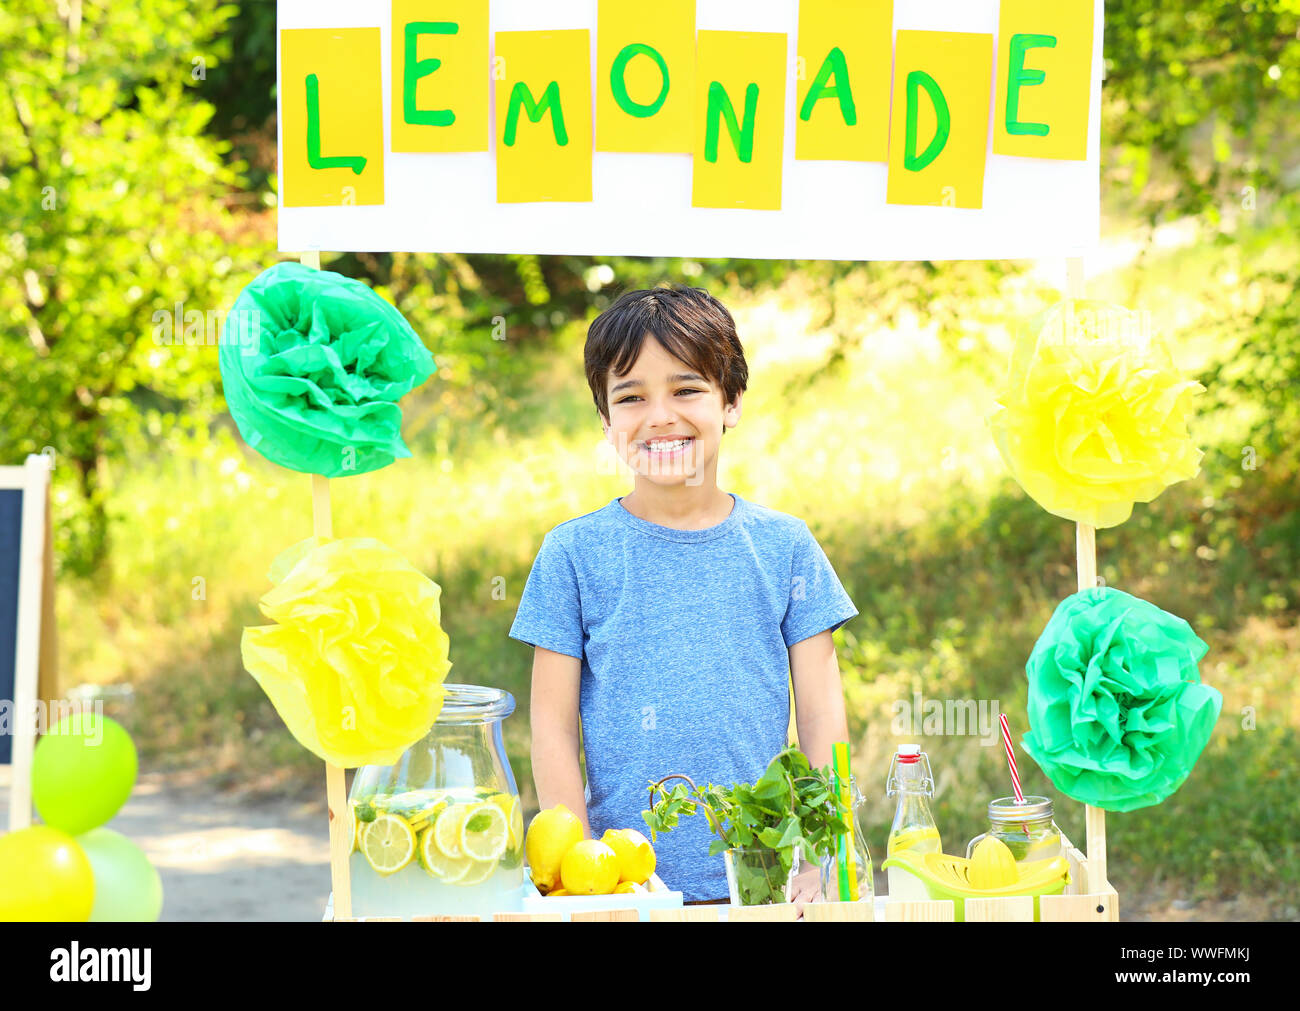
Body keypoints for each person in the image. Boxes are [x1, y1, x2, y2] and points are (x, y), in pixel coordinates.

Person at [509, 285, 858, 905]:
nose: (660, 416)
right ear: (606, 420)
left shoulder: (786, 547)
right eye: (631, 397)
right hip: (626, 891)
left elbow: (822, 721)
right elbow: (552, 730)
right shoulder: (572, 553)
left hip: (767, 886)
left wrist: (820, 859)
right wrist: (583, 875)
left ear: (732, 401)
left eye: (686, 389)